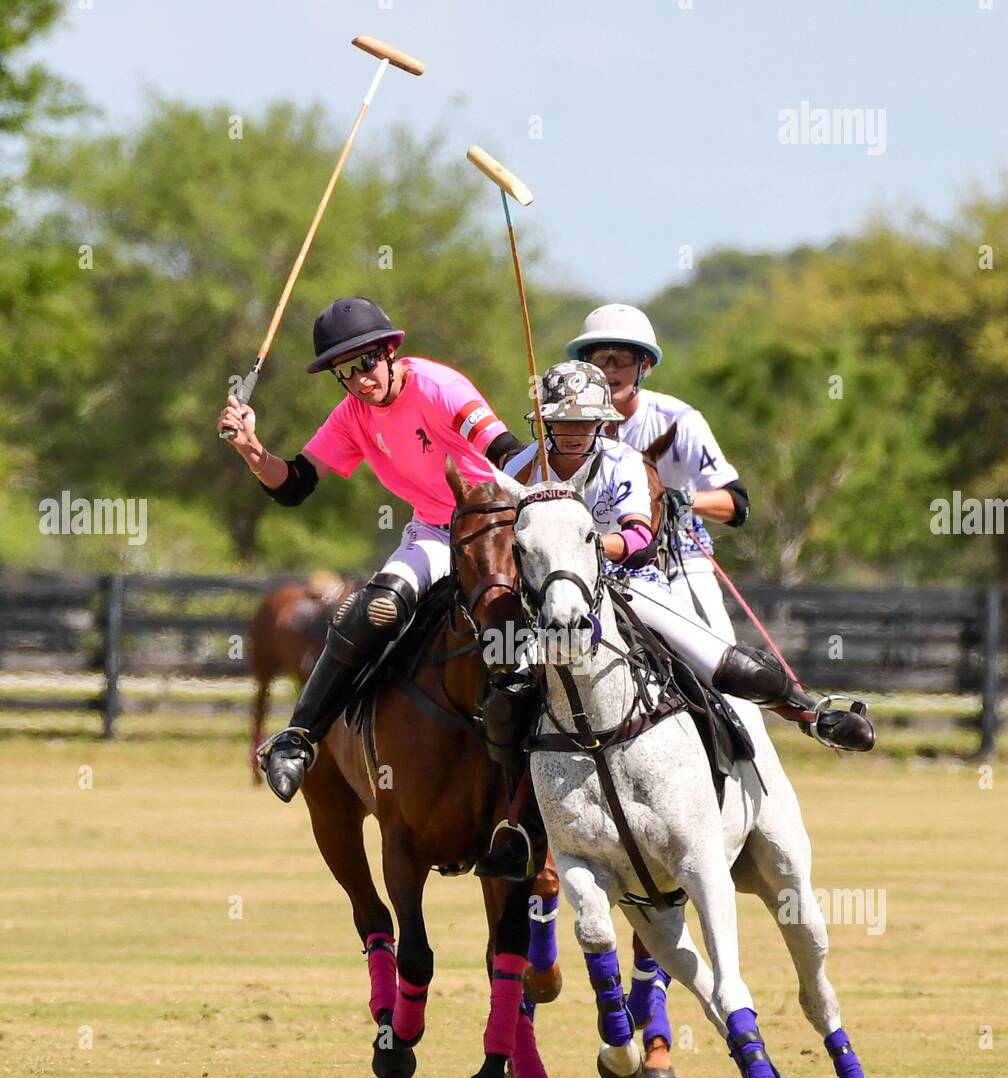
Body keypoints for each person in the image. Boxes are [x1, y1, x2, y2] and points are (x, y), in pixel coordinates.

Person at [474, 361, 876, 882]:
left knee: (710, 654)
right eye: (561, 421)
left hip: (627, 588)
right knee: (504, 694)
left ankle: (809, 713)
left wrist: (587, 549)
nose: (572, 432)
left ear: (601, 422)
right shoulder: (523, 470)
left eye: (583, 421)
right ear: (544, 422)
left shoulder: (623, 462)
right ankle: (518, 827)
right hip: (548, 605)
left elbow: (639, 540)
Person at [216, 295, 525, 802]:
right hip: (432, 533)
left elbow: (504, 451)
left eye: (365, 364)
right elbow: (294, 483)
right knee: (376, 606)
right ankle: (300, 738)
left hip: (496, 530)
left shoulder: (440, 386)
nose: (360, 380)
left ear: (388, 352)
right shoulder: (352, 416)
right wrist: (251, 449)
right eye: (345, 372)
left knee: (550, 619)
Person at [566, 303, 744, 645]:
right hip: (593, 561)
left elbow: (737, 505)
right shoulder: (569, 428)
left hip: (677, 559)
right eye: (601, 358)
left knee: (718, 654)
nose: (610, 370)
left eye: (623, 359)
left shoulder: (679, 419)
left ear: (645, 366)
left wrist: (684, 498)